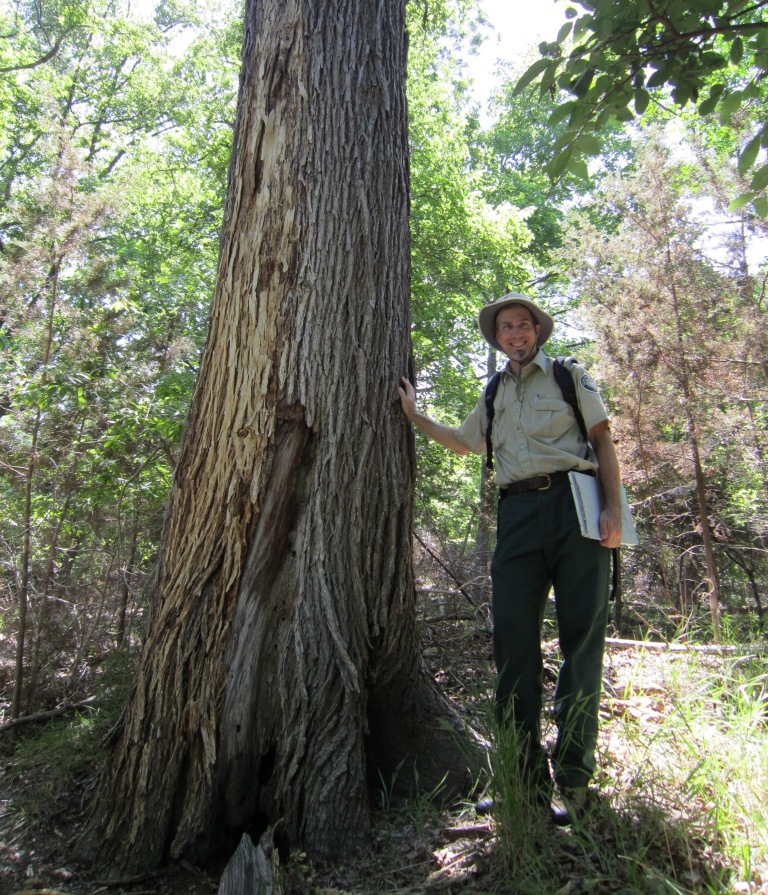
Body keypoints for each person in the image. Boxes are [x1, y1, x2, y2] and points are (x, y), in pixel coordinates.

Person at [398, 293, 622, 825]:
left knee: (580, 644)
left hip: (576, 509)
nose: (516, 334)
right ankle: (522, 780)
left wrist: (614, 509)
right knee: (513, 644)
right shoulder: (494, 389)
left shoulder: (569, 375)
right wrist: (413, 415)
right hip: (517, 516)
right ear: (497, 339)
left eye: (523, 325)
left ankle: (574, 780)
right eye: (506, 328)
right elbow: (463, 441)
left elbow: (602, 440)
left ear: (537, 332)